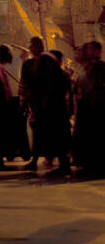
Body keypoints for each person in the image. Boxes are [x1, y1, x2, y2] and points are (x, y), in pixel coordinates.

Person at [20, 37, 72, 176]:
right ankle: (38, 160)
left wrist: (43, 101)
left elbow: (48, 83)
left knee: (55, 135)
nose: (31, 48)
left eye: (33, 45)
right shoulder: (37, 62)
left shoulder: (45, 60)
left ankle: (64, 164)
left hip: (51, 105)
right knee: (43, 134)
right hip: (46, 105)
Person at [72, 42, 105, 177]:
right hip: (85, 106)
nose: (89, 53)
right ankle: (88, 163)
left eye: (92, 50)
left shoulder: (100, 67)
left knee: (96, 135)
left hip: (96, 106)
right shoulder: (85, 68)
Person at [0, 44, 30, 161]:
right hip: (17, 100)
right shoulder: (16, 65)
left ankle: (10, 153)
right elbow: (26, 52)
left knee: (7, 129)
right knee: (21, 128)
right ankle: (25, 153)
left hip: (5, 102)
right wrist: (16, 46)